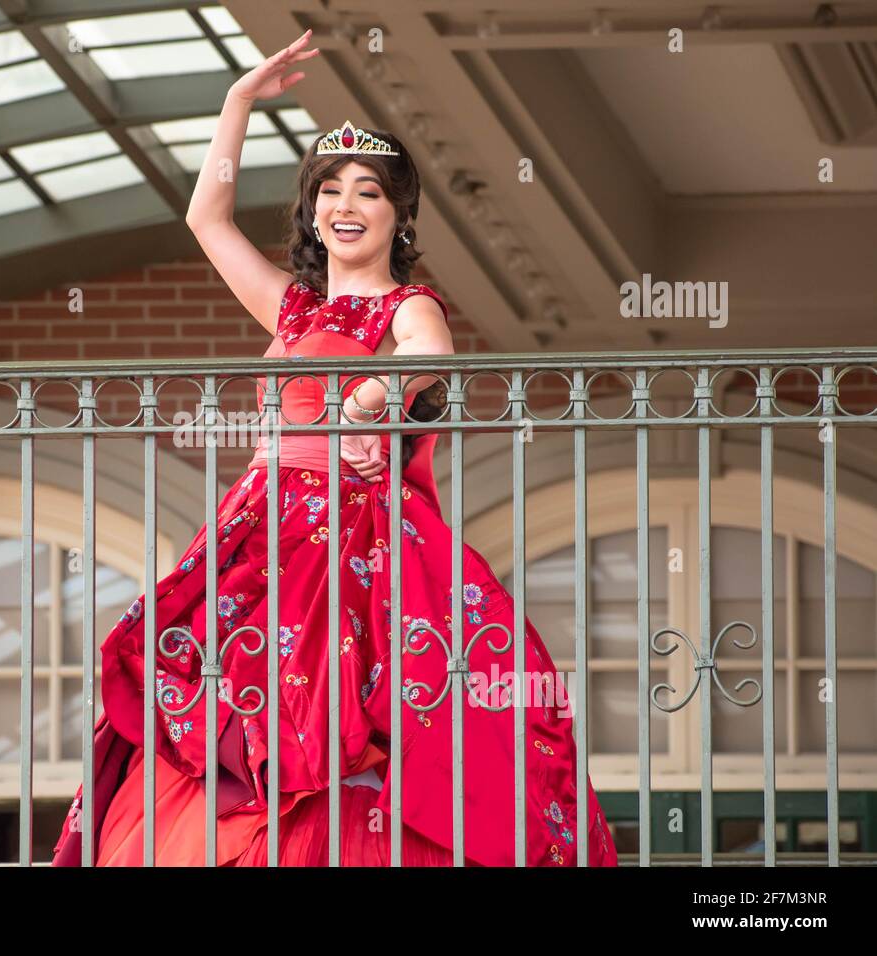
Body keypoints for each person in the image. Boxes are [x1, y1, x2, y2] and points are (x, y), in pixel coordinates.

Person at [52, 29, 619, 867]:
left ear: (397, 214)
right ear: (313, 210)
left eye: (366, 192)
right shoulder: (293, 310)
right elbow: (205, 218)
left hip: (347, 530)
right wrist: (238, 102)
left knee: (344, 705)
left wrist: (371, 397)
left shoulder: (408, 303)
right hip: (260, 521)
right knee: (230, 693)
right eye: (329, 191)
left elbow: (432, 362)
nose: (344, 205)